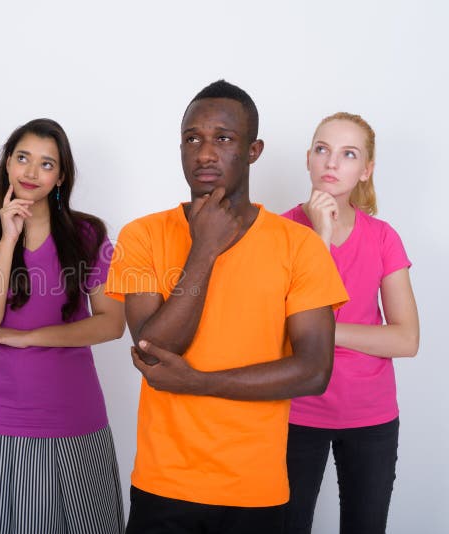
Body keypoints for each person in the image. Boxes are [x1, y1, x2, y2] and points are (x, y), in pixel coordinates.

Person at [105, 80, 349, 534]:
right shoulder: (140, 236)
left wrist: (197, 382)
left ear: (253, 150)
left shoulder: (299, 246)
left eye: (223, 139)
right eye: (192, 139)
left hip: (255, 491)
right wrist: (204, 251)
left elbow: (314, 370)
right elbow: (153, 349)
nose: (204, 153)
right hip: (164, 486)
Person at [0, 118, 125, 533]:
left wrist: (28, 339)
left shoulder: (88, 235)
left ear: (61, 176)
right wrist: (9, 238)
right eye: (23, 158)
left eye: (47, 164)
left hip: (74, 417)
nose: (31, 173)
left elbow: (112, 324)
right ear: (7, 163)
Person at [281, 112, 419, 534]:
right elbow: (274, 328)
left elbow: (406, 338)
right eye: (322, 150)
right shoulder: (278, 233)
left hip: (371, 416)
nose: (331, 163)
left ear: (366, 171)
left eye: (348, 154)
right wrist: (319, 238)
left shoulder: (382, 237)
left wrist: (323, 332)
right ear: (307, 159)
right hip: (294, 411)